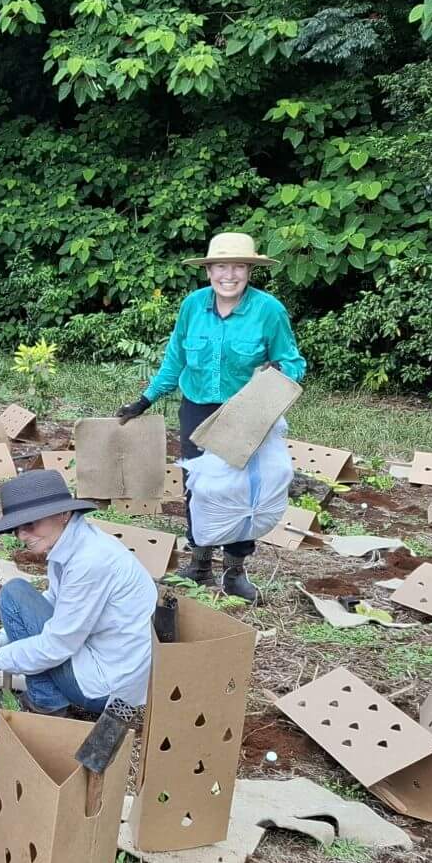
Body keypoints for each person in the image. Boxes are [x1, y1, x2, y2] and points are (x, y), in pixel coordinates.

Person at [116, 232, 306, 602]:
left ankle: (235, 571)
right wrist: (146, 399)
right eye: (221, 266)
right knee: (198, 486)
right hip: (198, 408)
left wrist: (280, 369)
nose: (229, 275)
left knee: (245, 489)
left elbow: (294, 361)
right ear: (209, 271)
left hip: (249, 410)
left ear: (250, 270)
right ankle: (200, 563)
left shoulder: (269, 311)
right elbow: (176, 359)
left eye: (238, 266)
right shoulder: (193, 305)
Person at [0, 470, 156, 716]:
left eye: (30, 524)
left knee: (14, 594)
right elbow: (55, 603)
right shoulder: (70, 545)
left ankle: (45, 707)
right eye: (16, 529)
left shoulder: (90, 561)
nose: (22, 536)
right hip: (105, 661)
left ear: (64, 514)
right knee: (18, 595)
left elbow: (57, 646)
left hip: (108, 686)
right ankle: (50, 700)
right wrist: (3, 638)